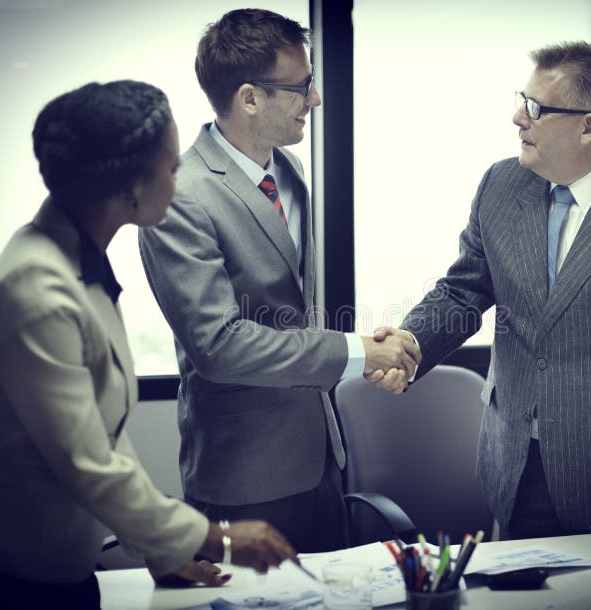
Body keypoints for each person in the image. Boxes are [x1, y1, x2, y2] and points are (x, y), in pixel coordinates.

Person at [374, 41, 591, 557]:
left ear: (589, 126)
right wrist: (410, 343)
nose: (518, 117)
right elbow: (465, 287)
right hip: (515, 466)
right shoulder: (500, 183)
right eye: (523, 98)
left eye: (536, 108)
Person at [0, 80, 296, 610]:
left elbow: (104, 431)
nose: (179, 181)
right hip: (15, 578)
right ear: (130, 187)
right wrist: (220, 538)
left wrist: (160, 548)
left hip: (59, 569)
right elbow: (88, 463)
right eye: (171, 170)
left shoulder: (78, 260)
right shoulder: (35, 290)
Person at [138, 8, 419, 553]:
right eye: (302, 86)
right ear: (249, 98)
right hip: (246, 474)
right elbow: (219, 346)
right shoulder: (183, 197)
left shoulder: (285, 171)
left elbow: (290, 313)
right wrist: (358, 352)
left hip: (321, 457)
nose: (314, 99)